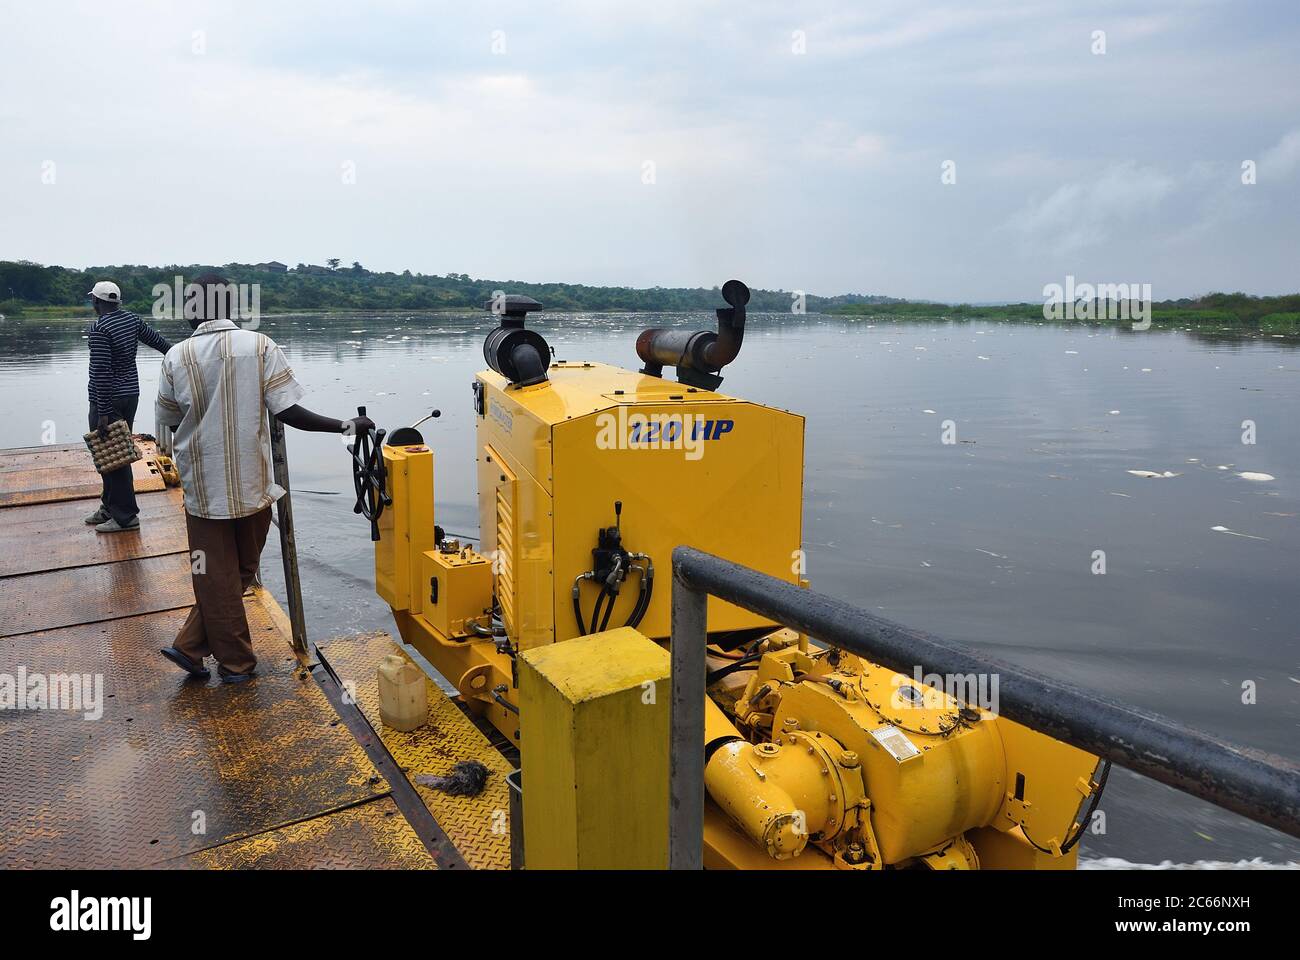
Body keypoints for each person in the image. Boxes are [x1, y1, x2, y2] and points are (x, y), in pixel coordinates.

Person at [154, 273, 372, 683]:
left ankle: (190, 645)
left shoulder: (176, 357)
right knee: (240, 567)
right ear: (230, 305)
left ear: (190, 310)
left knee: (219, 572)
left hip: (202, 485)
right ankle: (236, 664)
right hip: (251, 480)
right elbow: (287, 411)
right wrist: (345, 425)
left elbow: (168, 418)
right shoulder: (259, 346)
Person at [84, 280, 173, 532]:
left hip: (107, 400)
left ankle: (126, 517)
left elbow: (101, 373)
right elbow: (161, 343)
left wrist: (103, 413)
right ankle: (109, 507)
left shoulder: (100, 328)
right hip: (130, 396)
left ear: (96, 301)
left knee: (115, 459)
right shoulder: (131, 320)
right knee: (113, 455)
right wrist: (182, 358)